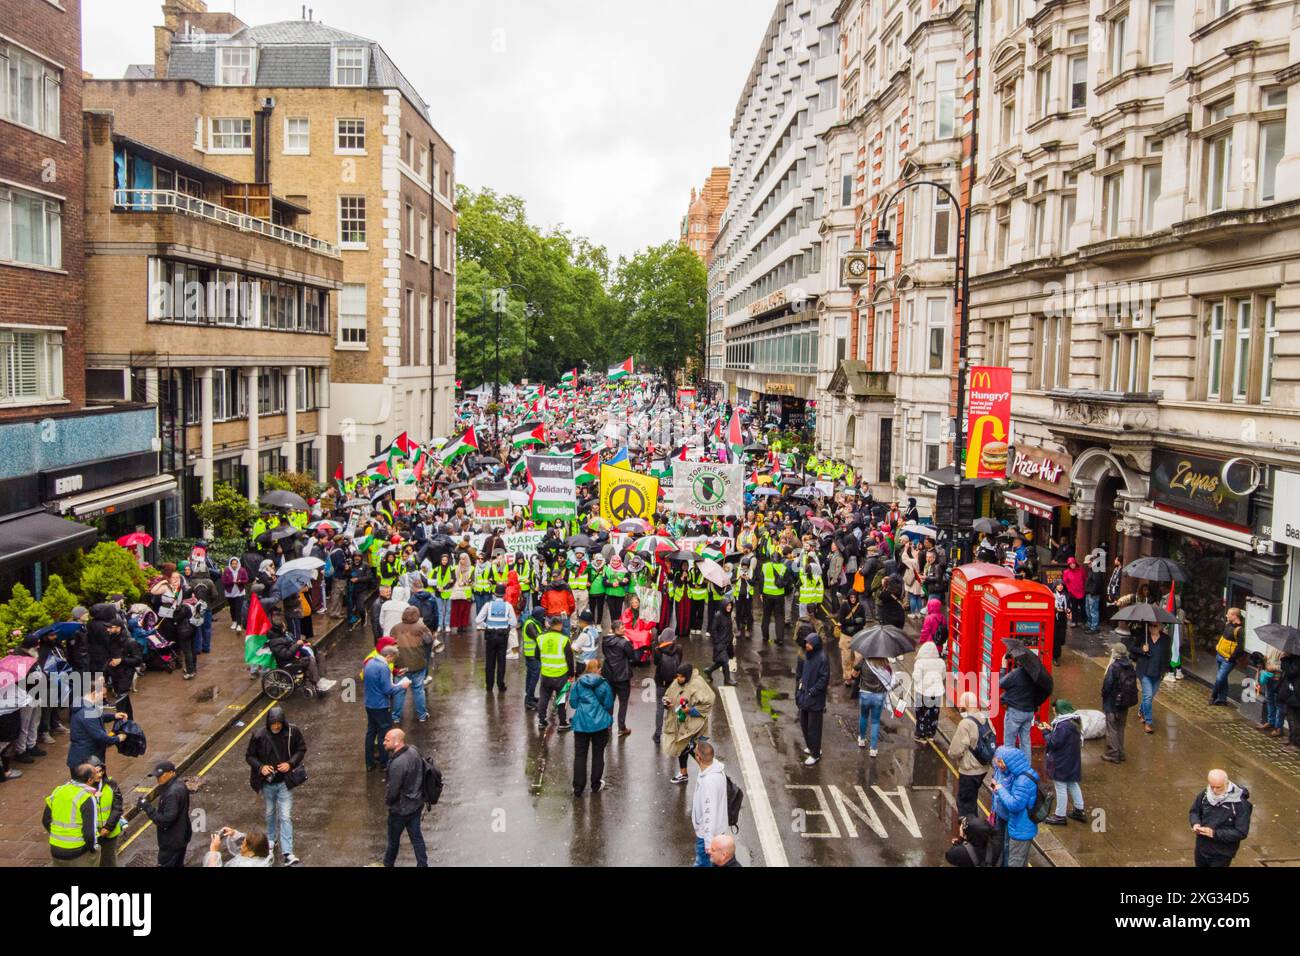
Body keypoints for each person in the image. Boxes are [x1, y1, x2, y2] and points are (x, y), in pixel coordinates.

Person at [244, 705, 306, 866]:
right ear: (268, 723)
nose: (276, 726)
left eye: (279, 723)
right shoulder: (258, 735)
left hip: (284, 783)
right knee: (270, 812)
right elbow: (249, 756)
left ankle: (288, 852)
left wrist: (290, 764)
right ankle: (271, 840)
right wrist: (261, 767)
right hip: (268, 784)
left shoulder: (293, 732)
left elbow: (301, 749)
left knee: (285, 816)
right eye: (273, 723)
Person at [382, 728, 428, 867]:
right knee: (417, 838)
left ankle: (388, 864)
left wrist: (388, 802)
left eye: (387, 740)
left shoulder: (398, 763)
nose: (384, 743)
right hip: (415, 805)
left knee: (393, 842)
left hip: (400, 810)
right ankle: (422, 864)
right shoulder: (413, 751)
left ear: (397, 742)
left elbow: (393, 789)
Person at [662, 663, 715, 784]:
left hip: (694, 726)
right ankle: (684, 773)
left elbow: (708, 702)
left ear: (687, 675)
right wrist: (666, 702)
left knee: (694, 749)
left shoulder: (698, 684)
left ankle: (711, 772)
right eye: (677, 676)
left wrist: (690, 711)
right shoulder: (677, 682)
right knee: (682, 745)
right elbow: (668, 695)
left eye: (681, 676)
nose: (678, 679)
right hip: (680, 723)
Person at [1188, 769, 1252, 867]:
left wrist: (1214, 833)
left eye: (1218, 787)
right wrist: (1195, 823)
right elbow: (1195, 811)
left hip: (1222, 852)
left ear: (1227, 783)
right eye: (1212, 786)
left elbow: (1241, 832)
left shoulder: (1241, 804)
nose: (1214, 791)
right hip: (1202, 848)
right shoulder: (1205, 794)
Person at [570, 659, 614, 796]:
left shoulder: (578, 684)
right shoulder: (604, 684)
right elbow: (608, 704)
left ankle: (578, 787)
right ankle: (595, 785)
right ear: (599, 669)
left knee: (580, 755)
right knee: (598, 754)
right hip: (600, 724)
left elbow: (573, 703)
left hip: (581, 724)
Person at [990, 745, 1040, 867]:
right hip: (1022, 826)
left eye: (1001, 762)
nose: (1000, 766)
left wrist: (1000, 789)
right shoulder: (1024, 774)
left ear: (1010, 762)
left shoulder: (1021, 781)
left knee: (1015, 860)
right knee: (1020, 859)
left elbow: (1015, 805)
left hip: (1020, 828)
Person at [43, 763, 101, 867]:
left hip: (56, 849)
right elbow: (89, 832)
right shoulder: (86, 797)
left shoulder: (58, 790)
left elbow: (45, 820)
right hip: (78, 851)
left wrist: (59, 837)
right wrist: (92, 848)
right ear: (89, 780)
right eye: (95, 775)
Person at [138, 760, 193, 868]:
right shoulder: (178, 784)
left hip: (172, 840)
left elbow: (165, 820)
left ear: (172, 773)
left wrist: (147, 807)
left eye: (161, 775)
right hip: (181, 835)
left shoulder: (172, 793)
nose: (158, 778)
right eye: (157, 776)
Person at [1040, 699, 1086, 826]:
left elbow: (1053, 743)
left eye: (1056, 712)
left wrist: (1045, 732)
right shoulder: (1074, 721)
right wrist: (1052, 729)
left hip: (1061, 762)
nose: (1055, 714)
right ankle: (1079, 810)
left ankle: (1060, 816)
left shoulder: (1063, 725)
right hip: (1071, 760)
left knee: (1060, 787)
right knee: (1072, 783)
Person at [363, 645, 409, 770]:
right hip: (381, 706)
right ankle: (384, 763)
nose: (391, 662)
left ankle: (369, 763)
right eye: (392, 659)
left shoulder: (370, 662)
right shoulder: (383, 668)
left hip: (369, 704)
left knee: (371, 733)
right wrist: (401, 686)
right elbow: (388, 690)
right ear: (389, 656)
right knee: (385, 735)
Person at [947, 692, 993, 819]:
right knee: (972, 801)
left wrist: (952, 754)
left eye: (961, 703)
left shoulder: (965, 723)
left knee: (965, 806)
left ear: (967, 705)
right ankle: (974, 826)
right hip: (983, 768)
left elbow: (955, 750)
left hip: (969, 771)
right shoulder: (986, 718)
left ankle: (969, 835)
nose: (959, 706)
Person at [67, 685, 128, 773]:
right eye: (103, 695)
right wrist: (118, 738)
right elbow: (101, 737)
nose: (105, 697)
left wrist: (114, 716)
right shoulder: (87, 711)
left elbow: (97, 716)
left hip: (83, 757)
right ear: (94, 694)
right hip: (86, 762)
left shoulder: (85, 705)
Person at [390, 605, 434, 719]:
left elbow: (390, 645)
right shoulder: (421, 627)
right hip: (418, 663)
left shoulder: (395, 628)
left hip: (400, 664)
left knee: (399, 691)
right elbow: (429, 641)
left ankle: (396, 717)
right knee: (418, 690)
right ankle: (422, 715)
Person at [690, 740, 728, 866]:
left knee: (702, 863)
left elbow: (709, 814)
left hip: (707, 836)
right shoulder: (715, 768)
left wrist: (707, 843)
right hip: (717, 831)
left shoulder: (708, 782)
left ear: (698, 758)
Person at [794, 629, 829, 765]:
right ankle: (812, 747)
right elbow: (803, 675)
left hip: (814, 700)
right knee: (804, 724)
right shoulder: (809, 656)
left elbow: (823, 679)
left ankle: (815, 753)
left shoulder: (822, 659)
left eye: (809, 644)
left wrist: (812, 691)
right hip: (806, 697)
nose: (807, 646)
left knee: (813, 728)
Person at [536, 616, 575, 732]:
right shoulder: (564, 640)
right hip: (561, 675)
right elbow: (569, 659)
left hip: (546, 675)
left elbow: (536, 656)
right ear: (559, 625)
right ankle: (562, 723)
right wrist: (571, 674)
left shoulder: (541, 639)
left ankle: (542, 721)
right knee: (561, 699)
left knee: (544, 698)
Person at [1100, 642, 1138, 762]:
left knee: (1112, 728)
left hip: (1112, 703)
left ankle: (1113, 753)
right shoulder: (1130, 666)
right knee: (1121, 727)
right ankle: (1121, 753)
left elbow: (1107, 686)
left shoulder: (1113, 667)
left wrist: (1104, 696)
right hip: (1124, 703)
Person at [475, 585, 516, 694]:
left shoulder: (488, 605)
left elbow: (478, 620)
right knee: (501, 661)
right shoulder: (508, 606)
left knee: (490, 661)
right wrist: (507, 628)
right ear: (504, 595)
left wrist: (486, 626)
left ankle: (489, 686)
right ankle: (500, 685)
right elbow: (514, 623)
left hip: (490, 635)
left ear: (494, 594)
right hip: (502, 636)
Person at [1133, 621, 1172, 733]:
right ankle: (1149, 722)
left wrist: (1165, 670)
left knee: (1149, 697)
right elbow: (1132, 649)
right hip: (1144, 672)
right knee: (1148, 696)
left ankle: (1141, 711)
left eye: (1155, 626)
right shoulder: (1143, 637)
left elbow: (1168, 655)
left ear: (1160, 626)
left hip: (1157, 673)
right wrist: (1142, 650)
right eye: (1150, 625)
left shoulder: (1166, 639)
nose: (1152, 628)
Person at [998, 653, 1037, 764]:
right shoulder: (1034, 674)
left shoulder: (1016, 673)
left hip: (1015, 712)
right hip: (1029, 712)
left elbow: (1000, 683)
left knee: (1009, 743)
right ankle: (1026, 769)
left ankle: (1008, 768)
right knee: (1025, 742)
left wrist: (1003, 667)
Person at [600, 619, 636, 735]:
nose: (624, 629)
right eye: (622, 628)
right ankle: (621, 727)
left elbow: (605, 654)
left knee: (610, 701)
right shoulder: (624, 642)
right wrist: (628, 642)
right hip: (622, 676)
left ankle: (608, 725)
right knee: (623, 702)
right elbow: (632, 656)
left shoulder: (605, 640)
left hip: (609, 674)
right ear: (616, 630)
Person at [854, 654, 893, 758]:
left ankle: (862, 740)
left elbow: (854, 675)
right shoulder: (885, 663)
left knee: (863, 717)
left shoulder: (864, 661)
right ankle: (873, 749)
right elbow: (889, 680)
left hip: (865, 694)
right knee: (875, 722)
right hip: (879, 697)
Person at [86, 757, 123, 867]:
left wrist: (108, 827)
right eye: (95, 772)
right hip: (91, 833)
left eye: (100, 771)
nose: (99, 775)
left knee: (108, 861)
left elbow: (117, 807)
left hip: (108, 832)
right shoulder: (82, 788)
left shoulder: (111, 784)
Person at [651, 631, 683, 746]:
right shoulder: (679, 648)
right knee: (674, 707)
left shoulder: (658, 650)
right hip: (673, 683)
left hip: (660, 683)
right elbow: (680, 663)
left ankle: (657, 734)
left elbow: (655, 663)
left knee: (660, 708)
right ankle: (675, 733)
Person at [911, 641, 945, 743]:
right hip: (937, 692)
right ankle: (931, 734)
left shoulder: (920, 662)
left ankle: (921, 735)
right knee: (933, 714)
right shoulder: (941, 662)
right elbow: (943, 676)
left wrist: (913, 674)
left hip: (922, 692)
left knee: (921, 714)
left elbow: (916, 677)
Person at [1210, 607, 1243, 706]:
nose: (1226, 616)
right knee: (1223, 678)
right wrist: (1218, 647)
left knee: (1220, 678)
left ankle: (1213, 695)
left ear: (1234, 616)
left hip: (1227, 659)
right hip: (1220, 655)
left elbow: (1240, 647)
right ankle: (1222, 699)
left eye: (1228, 614)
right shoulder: (1228, 625)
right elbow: (1224, 637)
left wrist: (1232, 657)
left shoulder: (1239, 630)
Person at [835, 592, 867, 687]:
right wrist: (853, 622)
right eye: (851, 597)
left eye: (854, 597)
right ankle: (848, 678)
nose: (853, 599)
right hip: (846, 636)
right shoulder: (844, 606)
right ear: (848, 597)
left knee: (859, 658)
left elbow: (863, 621)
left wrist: (855, 627)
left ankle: (855, 676)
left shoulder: (860, 607)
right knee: (846, 658)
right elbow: (841, 620)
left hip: (858, 635)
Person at [703, 598, 736, 687]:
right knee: (725, 661)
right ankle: (727, 680)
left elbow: (729, 629)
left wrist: (732, 638)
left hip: (727, 643)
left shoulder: (729, 615)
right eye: (727, 605)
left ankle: (709, 670)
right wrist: (717, 642)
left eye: (730, 605)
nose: (729, 607)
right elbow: (713, 629)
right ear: (723, 605)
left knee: (720, 662)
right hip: (720, 643)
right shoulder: (718, 615)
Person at [519, 603, 546, 710]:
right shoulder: (530, 624)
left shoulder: (534, 622)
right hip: (532, 655)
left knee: (530, 676)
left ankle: (529, 697)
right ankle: (529, 700)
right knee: (533, 677)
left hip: (533, 655)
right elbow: (538, 637)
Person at [203, 827, 273, 867]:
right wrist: (234, 834)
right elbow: (249, 846)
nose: (241, 845)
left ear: (251, 853)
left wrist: (214, 851)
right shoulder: (262, 853)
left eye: (243, 844)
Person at [759, 552, 788, 646]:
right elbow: (787, 582)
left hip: (767, 595)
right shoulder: (783, 568)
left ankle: (765, 636)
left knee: (766, 616)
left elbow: (761, 581)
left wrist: (760, 593)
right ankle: (780, 639)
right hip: (779, 596)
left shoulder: (765, 566)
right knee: (779, 617)